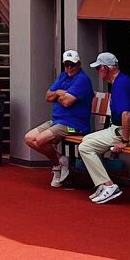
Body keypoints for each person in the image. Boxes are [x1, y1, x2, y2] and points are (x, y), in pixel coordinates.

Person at [78, 52, 130, 205]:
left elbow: (126, 115)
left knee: (85, 147)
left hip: (127, 132)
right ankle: (102, 184)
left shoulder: (120, 84)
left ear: (106, 68)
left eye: (99, 68)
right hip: (122, 129)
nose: (98, 72)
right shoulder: (121, 81)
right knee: (86, 140)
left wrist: (124, 141)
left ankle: (108, 185)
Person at [24, 49, 95, 186]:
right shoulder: (63, 76)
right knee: (29, 138)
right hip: (57, 120)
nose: (69, 68)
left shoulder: (82, 79)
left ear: (79, 64)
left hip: (75, 125)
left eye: (72, 65)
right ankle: (60, 162)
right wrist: (59, 92)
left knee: (40, 140)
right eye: (66, 65)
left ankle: (58, 165)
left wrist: (58, 96)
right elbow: (48, 96)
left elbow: (67, 102)